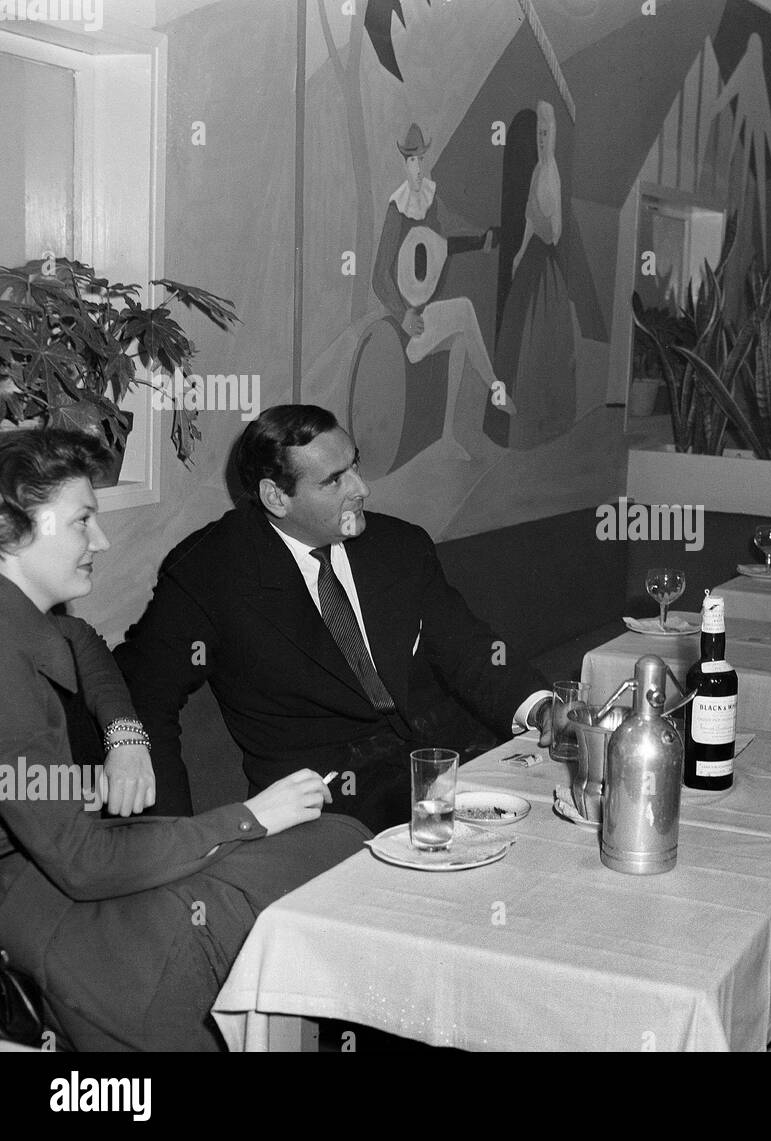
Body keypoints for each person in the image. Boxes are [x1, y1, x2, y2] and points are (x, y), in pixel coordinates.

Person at [0, 428, 368, 1050]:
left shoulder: (27, 613)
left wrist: (124, 735)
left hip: (74, 852)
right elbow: (84, 869)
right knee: (273, 883)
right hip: (39, 892)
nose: (103, 540)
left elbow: (85, 646)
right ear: (9, 533)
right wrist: (249, 817)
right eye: (82, 521)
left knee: (334, 840)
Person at [114, 405, 554, 832]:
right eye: (334, 480)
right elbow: (144, 692)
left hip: (444, 758)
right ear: (276, 497)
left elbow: (468, 647)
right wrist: (172, 841)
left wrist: (542, 709)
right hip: (330, 797)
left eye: (355, 465)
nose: (362, 488)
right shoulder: (209, 572)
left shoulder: (400, 546)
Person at [371, 122, 515, 462]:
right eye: (411, 162)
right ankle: (496, 387)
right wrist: (400, 313)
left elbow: (457, 229)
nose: (418, 169)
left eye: (421, 159)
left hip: (427, 315)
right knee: (464, 310)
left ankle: (448, 436)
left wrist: (488, 237)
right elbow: (379, 276)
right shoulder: (397, 210)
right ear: (404, 165)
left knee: (464, 339)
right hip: (409, 329)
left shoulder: (432, 203)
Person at [483, 100, 577, 450]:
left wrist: (540, 233)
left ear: (553, 136)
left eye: (546, 132)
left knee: (537, 343)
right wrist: (519, 255)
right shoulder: (539, 170)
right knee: (513, 334)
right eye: (538, 132)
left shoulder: (551, 173)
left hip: (546, 265)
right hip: (530, 258)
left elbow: (554, 233)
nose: (541, 138)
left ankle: (537, 420)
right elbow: (527, 221)